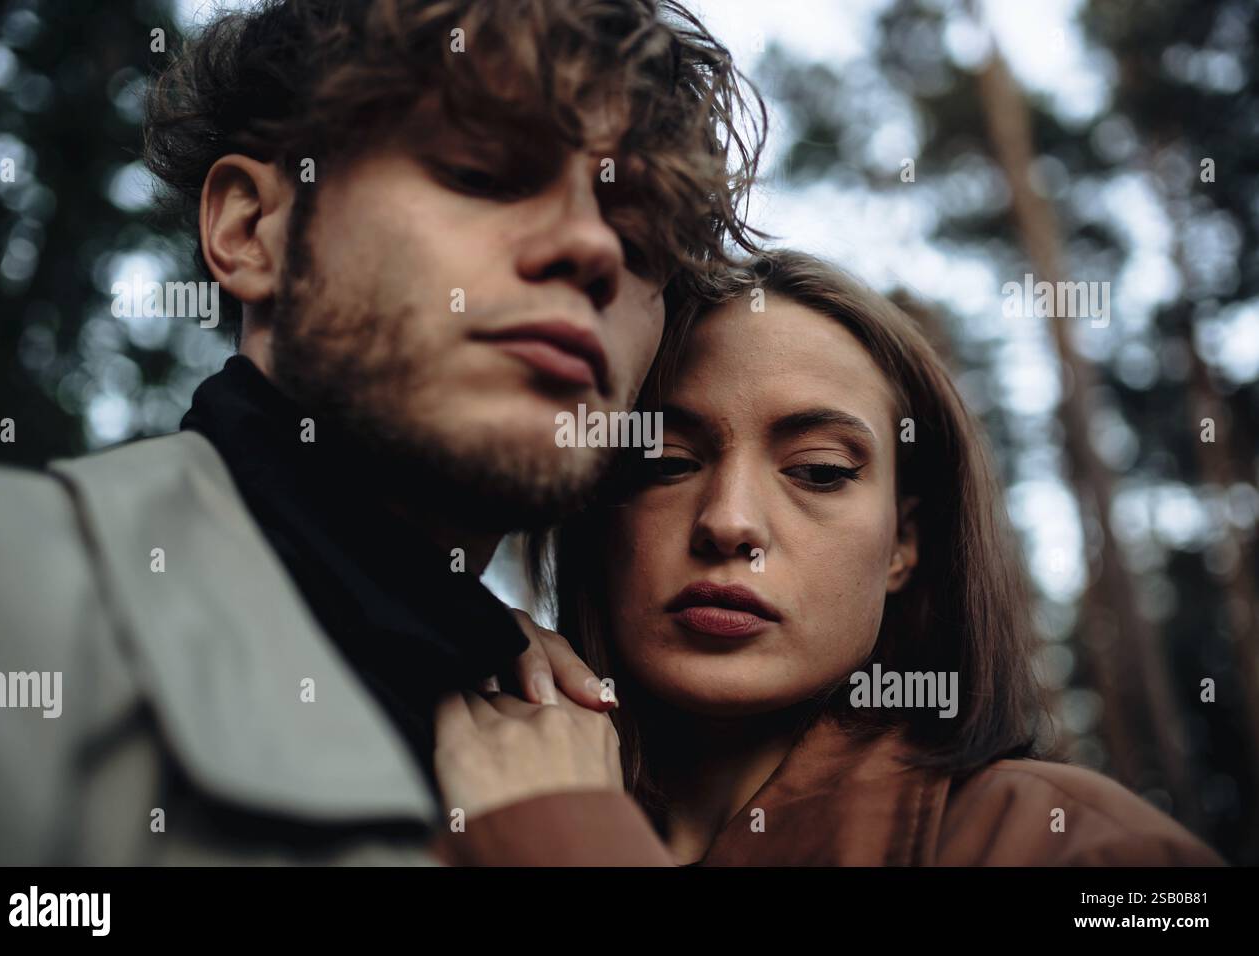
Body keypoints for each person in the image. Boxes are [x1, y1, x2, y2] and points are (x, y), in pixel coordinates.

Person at [0, 0, 765, 865]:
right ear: (251, 229)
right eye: (482, 173)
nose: (592, 248)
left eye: (641, 239)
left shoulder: (623, 766)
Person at [434, 250, 1226, 866]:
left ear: (904, 544)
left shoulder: (1080, 850)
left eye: (819, 470)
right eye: (668, 463)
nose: (730, 523)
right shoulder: (440, 783)